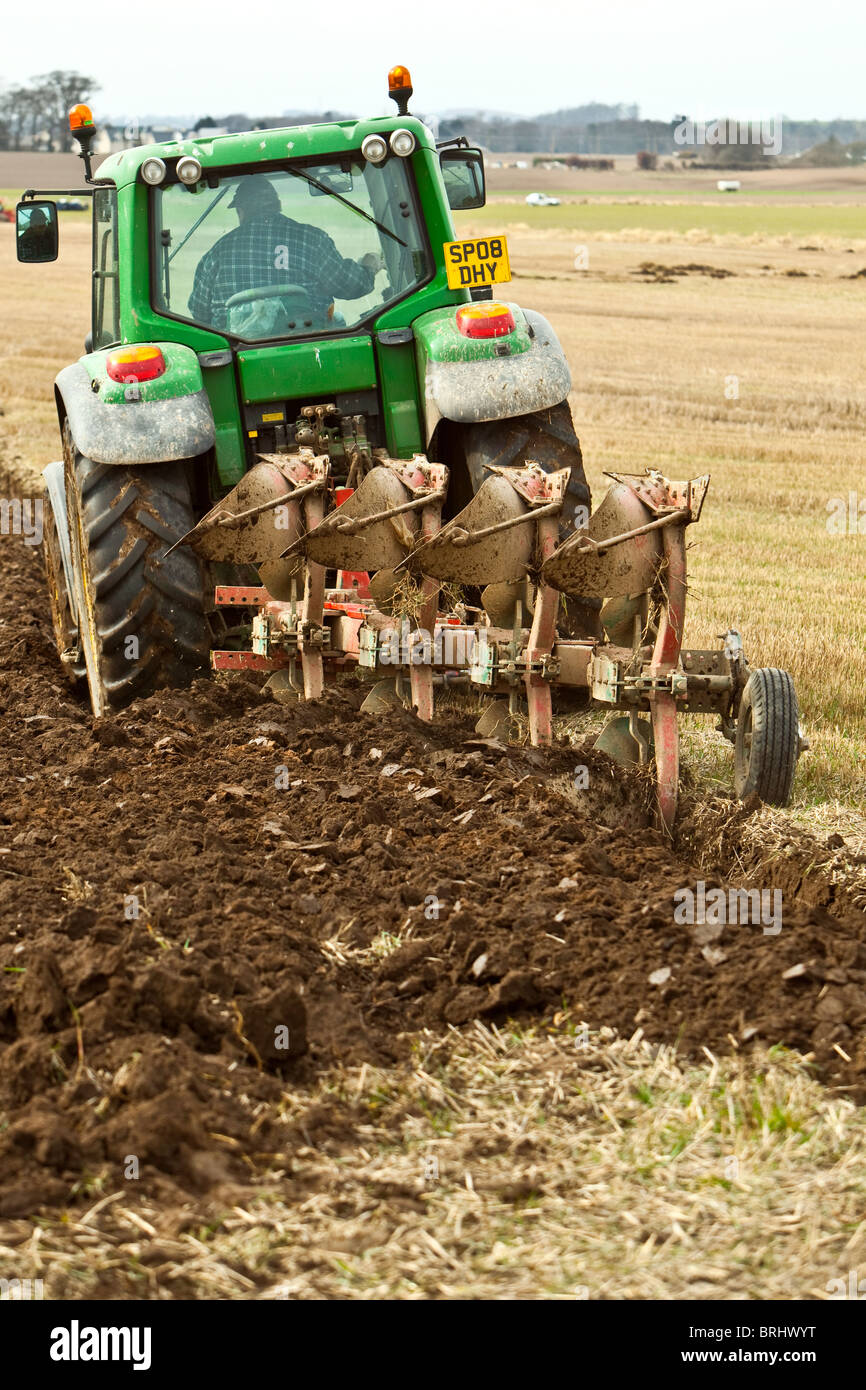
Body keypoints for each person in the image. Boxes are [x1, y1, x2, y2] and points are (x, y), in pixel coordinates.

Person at [188, 174, 384, 333]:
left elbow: (199, 312)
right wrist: (368, 267)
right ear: (277, 205)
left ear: (241, 210)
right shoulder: (311, 239)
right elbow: (349, 285)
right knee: (339, 322)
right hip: (308, 345)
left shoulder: (218, 253)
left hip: (235, 352)